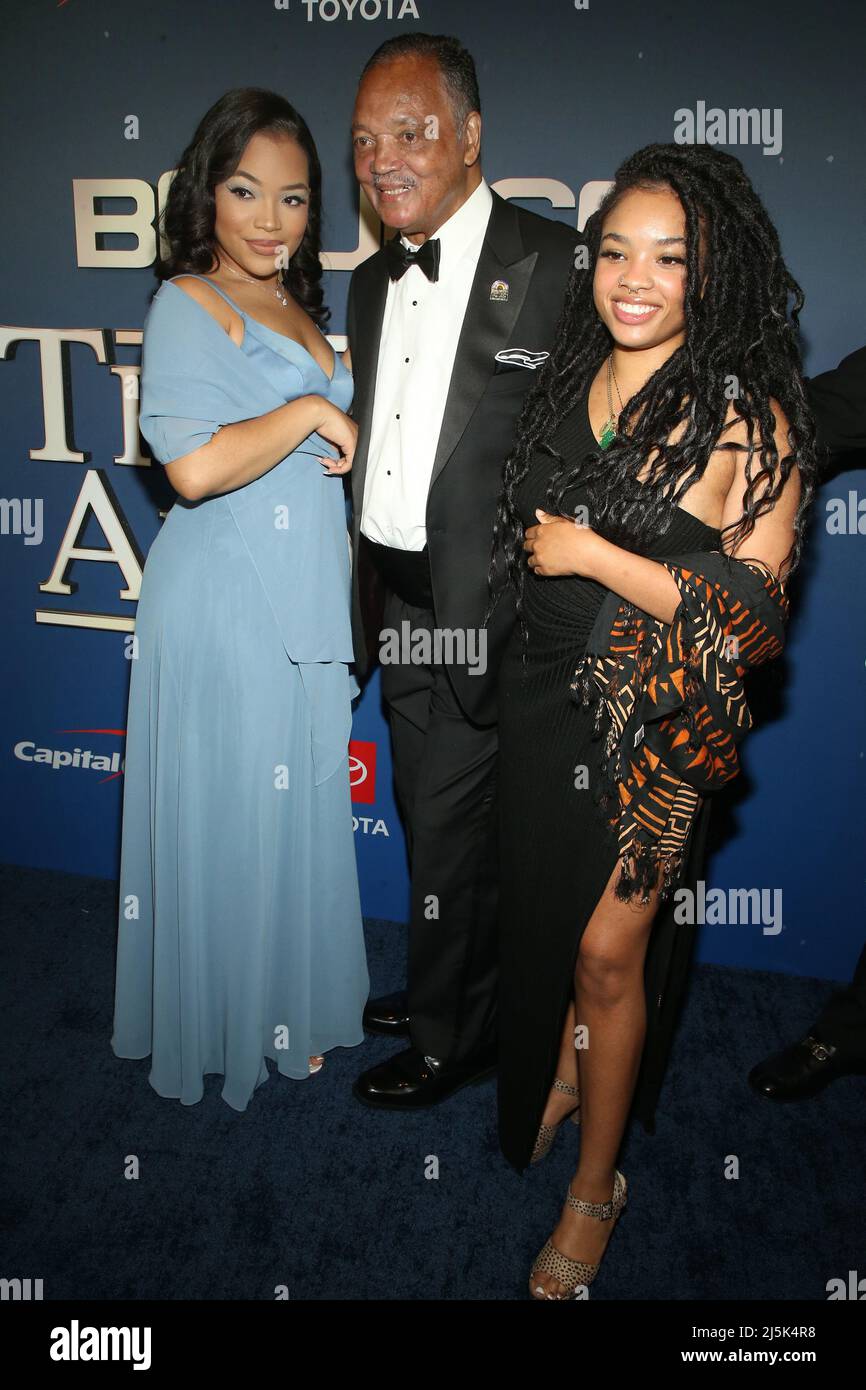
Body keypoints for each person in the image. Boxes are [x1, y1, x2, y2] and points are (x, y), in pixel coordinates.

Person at [490, 143, 819, 1298]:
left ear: (711, 272)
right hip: (540, 703)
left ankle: (596, 1188)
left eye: (667, 257)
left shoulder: (755, 425)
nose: (632, 277)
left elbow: (746, 621)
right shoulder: (573, 373)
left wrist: (591, 553)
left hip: (663, 734)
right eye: (613, 250)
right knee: (546, 925)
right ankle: (575, 1067)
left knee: (604, 949)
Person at [111, 88, 369, 1110]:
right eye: (245, 190)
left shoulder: (295, 306)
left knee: (289, 803)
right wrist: (309, 406)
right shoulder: (185, 302)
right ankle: (223, 1018)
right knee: (233, 809)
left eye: (294, 197)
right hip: (224, 598)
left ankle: (283, 1000)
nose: (269, 219)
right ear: (205, 195)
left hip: (298, 594)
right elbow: (189, 466)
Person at [344, 33, 581, 1111]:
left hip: (486, 615)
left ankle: (457, 1039)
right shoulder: (364, 284)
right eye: (363, 142)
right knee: (426, 817)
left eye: (410, 130)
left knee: (446, 828)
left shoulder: (555, 266)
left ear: (470, 134)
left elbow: (606, 441)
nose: (382, 158)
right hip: (395, 604)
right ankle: (448, 985)